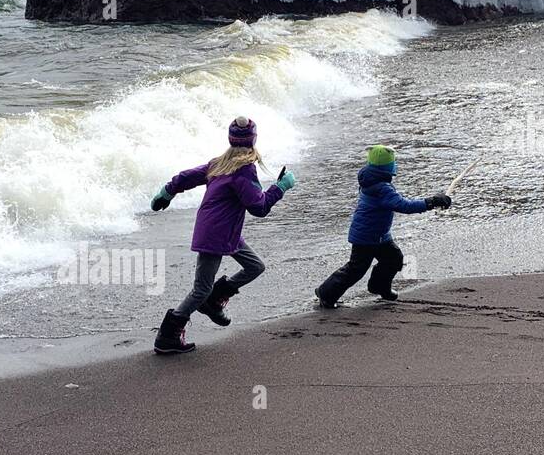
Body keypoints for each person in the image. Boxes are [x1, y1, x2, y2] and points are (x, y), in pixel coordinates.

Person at [149, 116, 296, 355]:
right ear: (253, 140)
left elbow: (188, 176)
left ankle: (214, 300)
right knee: (201, 289)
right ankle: (168, 335)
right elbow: (258, 207)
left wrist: (168, 191)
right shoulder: (243, 169)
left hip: (226, 231)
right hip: (216, 235)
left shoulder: (220, 163)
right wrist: (280, 188)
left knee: (255, 266)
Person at [315, 145, 450, 308]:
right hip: (366, 236)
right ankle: (326, 294)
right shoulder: (381, 188)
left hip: (379, 235)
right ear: (388, 167)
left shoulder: (372, 180)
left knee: (394, 259)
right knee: (355, 269)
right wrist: (431, 202)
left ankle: (379, 287)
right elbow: (403, 205)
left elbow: (397, 201)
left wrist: (430, 202)